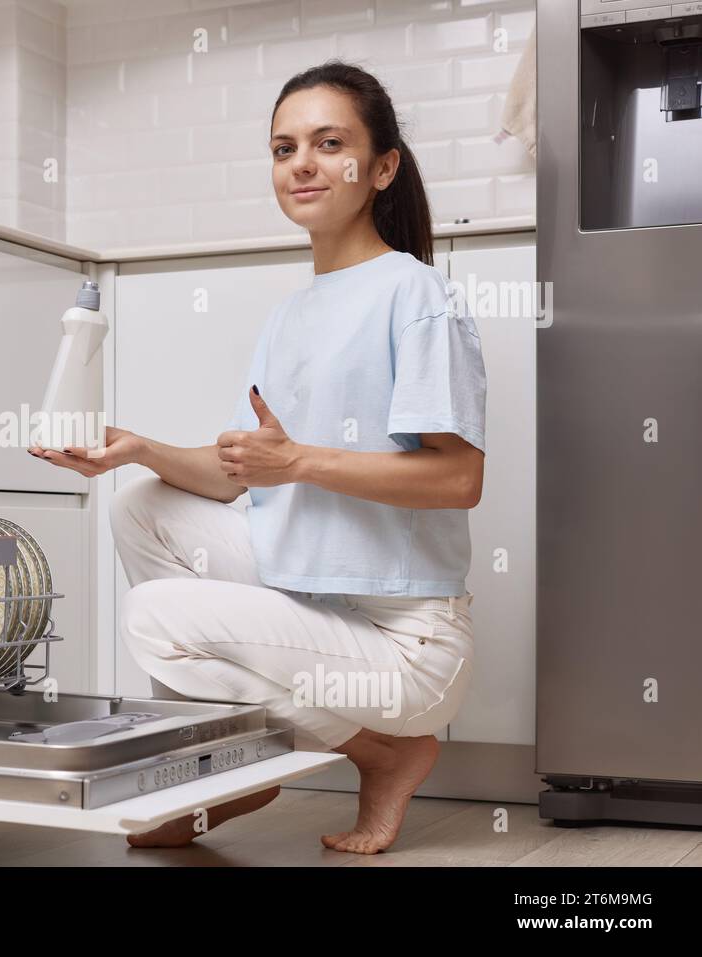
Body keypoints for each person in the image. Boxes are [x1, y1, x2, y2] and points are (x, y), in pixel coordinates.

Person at [31, 61, 487, 855]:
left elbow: (460, 478)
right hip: (319, 609)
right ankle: (249, 763)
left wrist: (303, 462)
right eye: (283, 148)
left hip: (405, 641)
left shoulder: (417, 294)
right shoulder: (290, 315)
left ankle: (265, 767)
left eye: (328, 143)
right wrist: (136, 447)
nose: (301, 163)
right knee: (139, 504)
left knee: (153, 616)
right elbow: (249, 465)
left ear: (381, 168)